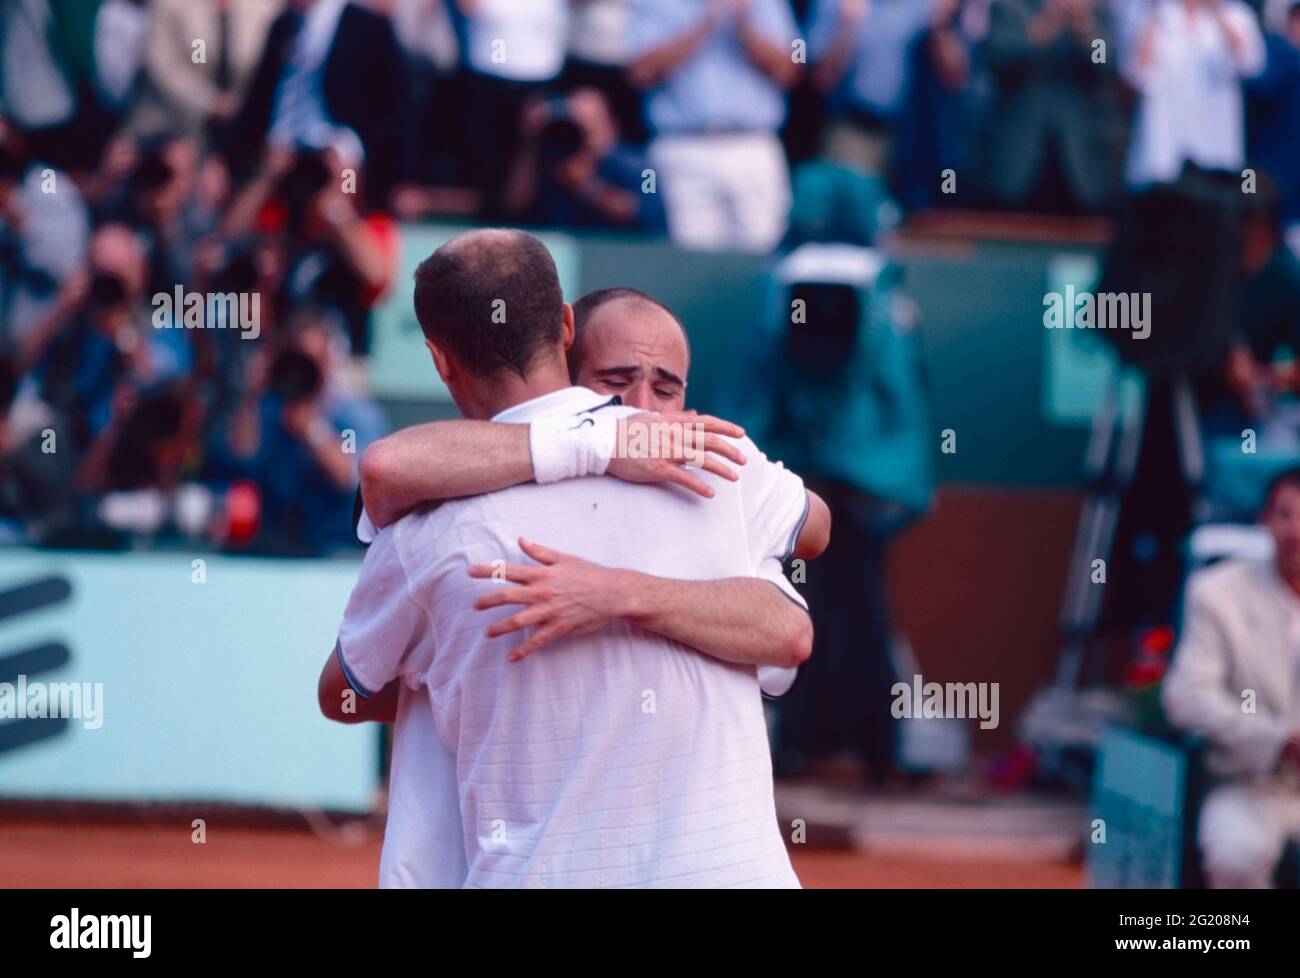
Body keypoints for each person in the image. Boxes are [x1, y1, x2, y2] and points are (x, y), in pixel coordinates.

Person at [319, 229, 820, 887]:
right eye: (623, 378)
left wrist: (464, 674)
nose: (644, 399)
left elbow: (343, 695)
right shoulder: (717, 458)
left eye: (663, 384)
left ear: (440, 362)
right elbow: (811, 539)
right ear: (564, 328)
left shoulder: (425, 533)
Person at [1163, 467, 1300, 887]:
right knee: (1235, 857)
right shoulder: (1217, 593)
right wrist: (1278, 742)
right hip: (1247, 784)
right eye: (1285, 514)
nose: (1297, 529)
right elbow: (1186, 697)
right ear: (1263, 520)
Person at [627, 0, 801, 251]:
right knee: (687, 256)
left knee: (764, 254)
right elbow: (639, 71)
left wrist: (743, 24)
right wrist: (706, 22)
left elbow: (791, 69)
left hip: (753, 145)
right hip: (682, 146)